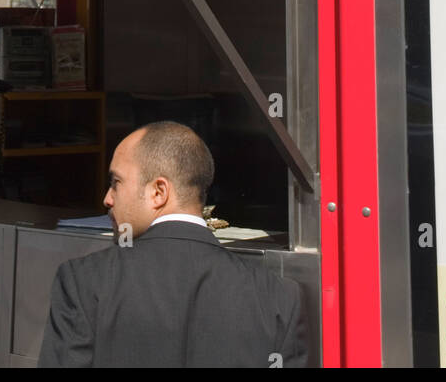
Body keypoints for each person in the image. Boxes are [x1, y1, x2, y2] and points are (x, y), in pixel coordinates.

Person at [37, 120, 308, 368]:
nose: (108, 198)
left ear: (159, 192)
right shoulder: (279, 298)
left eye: (116, 182)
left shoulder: (84, 282)